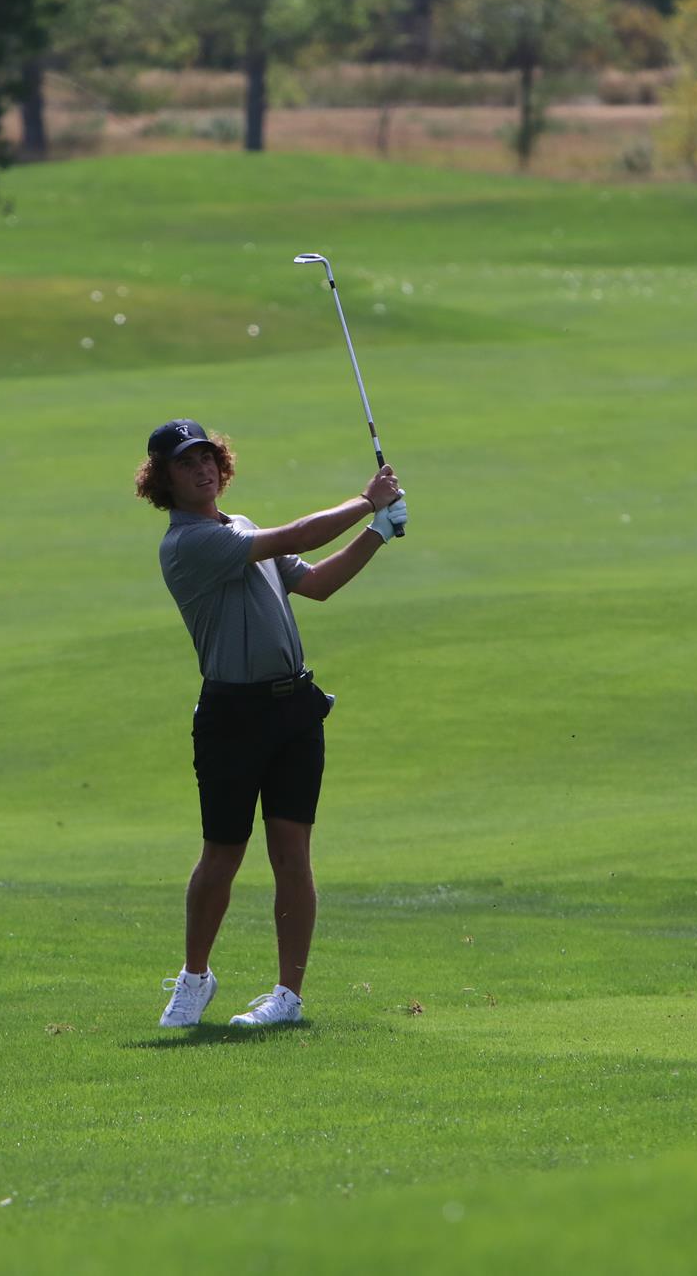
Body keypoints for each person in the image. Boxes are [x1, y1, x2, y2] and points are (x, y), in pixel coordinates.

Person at [135, 418, 408, 1028]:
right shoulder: (188, 545)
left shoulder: (243, 528)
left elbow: (314, 584)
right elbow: (303, 535)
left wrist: (377, 533)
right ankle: (195, 977)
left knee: (292, 854)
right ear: (164, 482)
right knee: (222, 854)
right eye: (185, 464)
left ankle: (288, 996)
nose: (202, 469)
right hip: (232, 714)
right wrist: (369, 498)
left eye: (207, 457)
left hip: (293, 709)